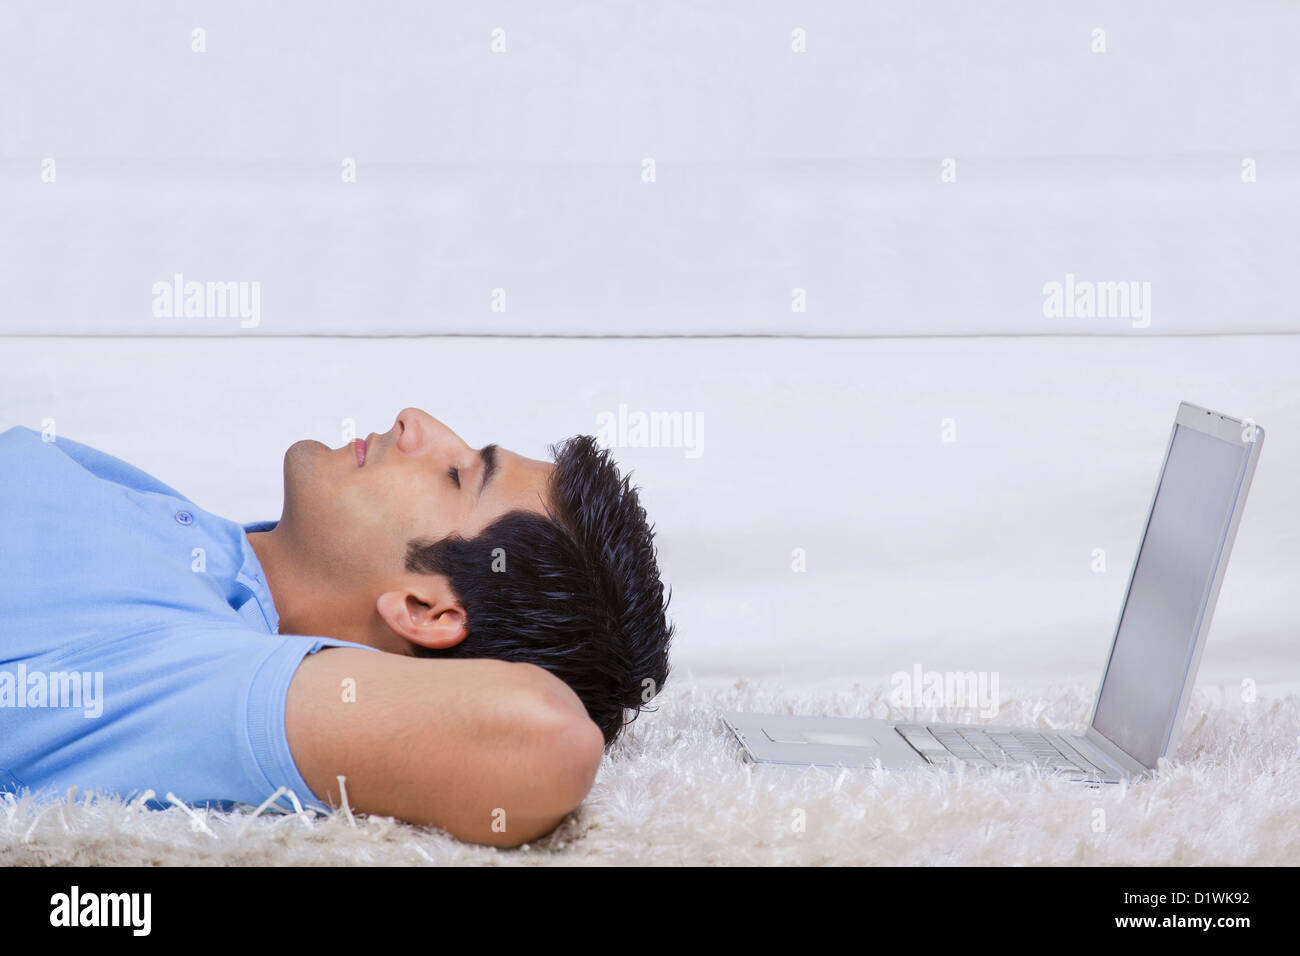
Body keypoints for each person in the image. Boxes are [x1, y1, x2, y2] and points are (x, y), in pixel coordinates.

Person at [0, 409, 674, 846]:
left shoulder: (195, 672)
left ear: (426, 612)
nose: (417, 422)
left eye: (455, 475)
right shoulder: (201, 546)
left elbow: (545, 738)